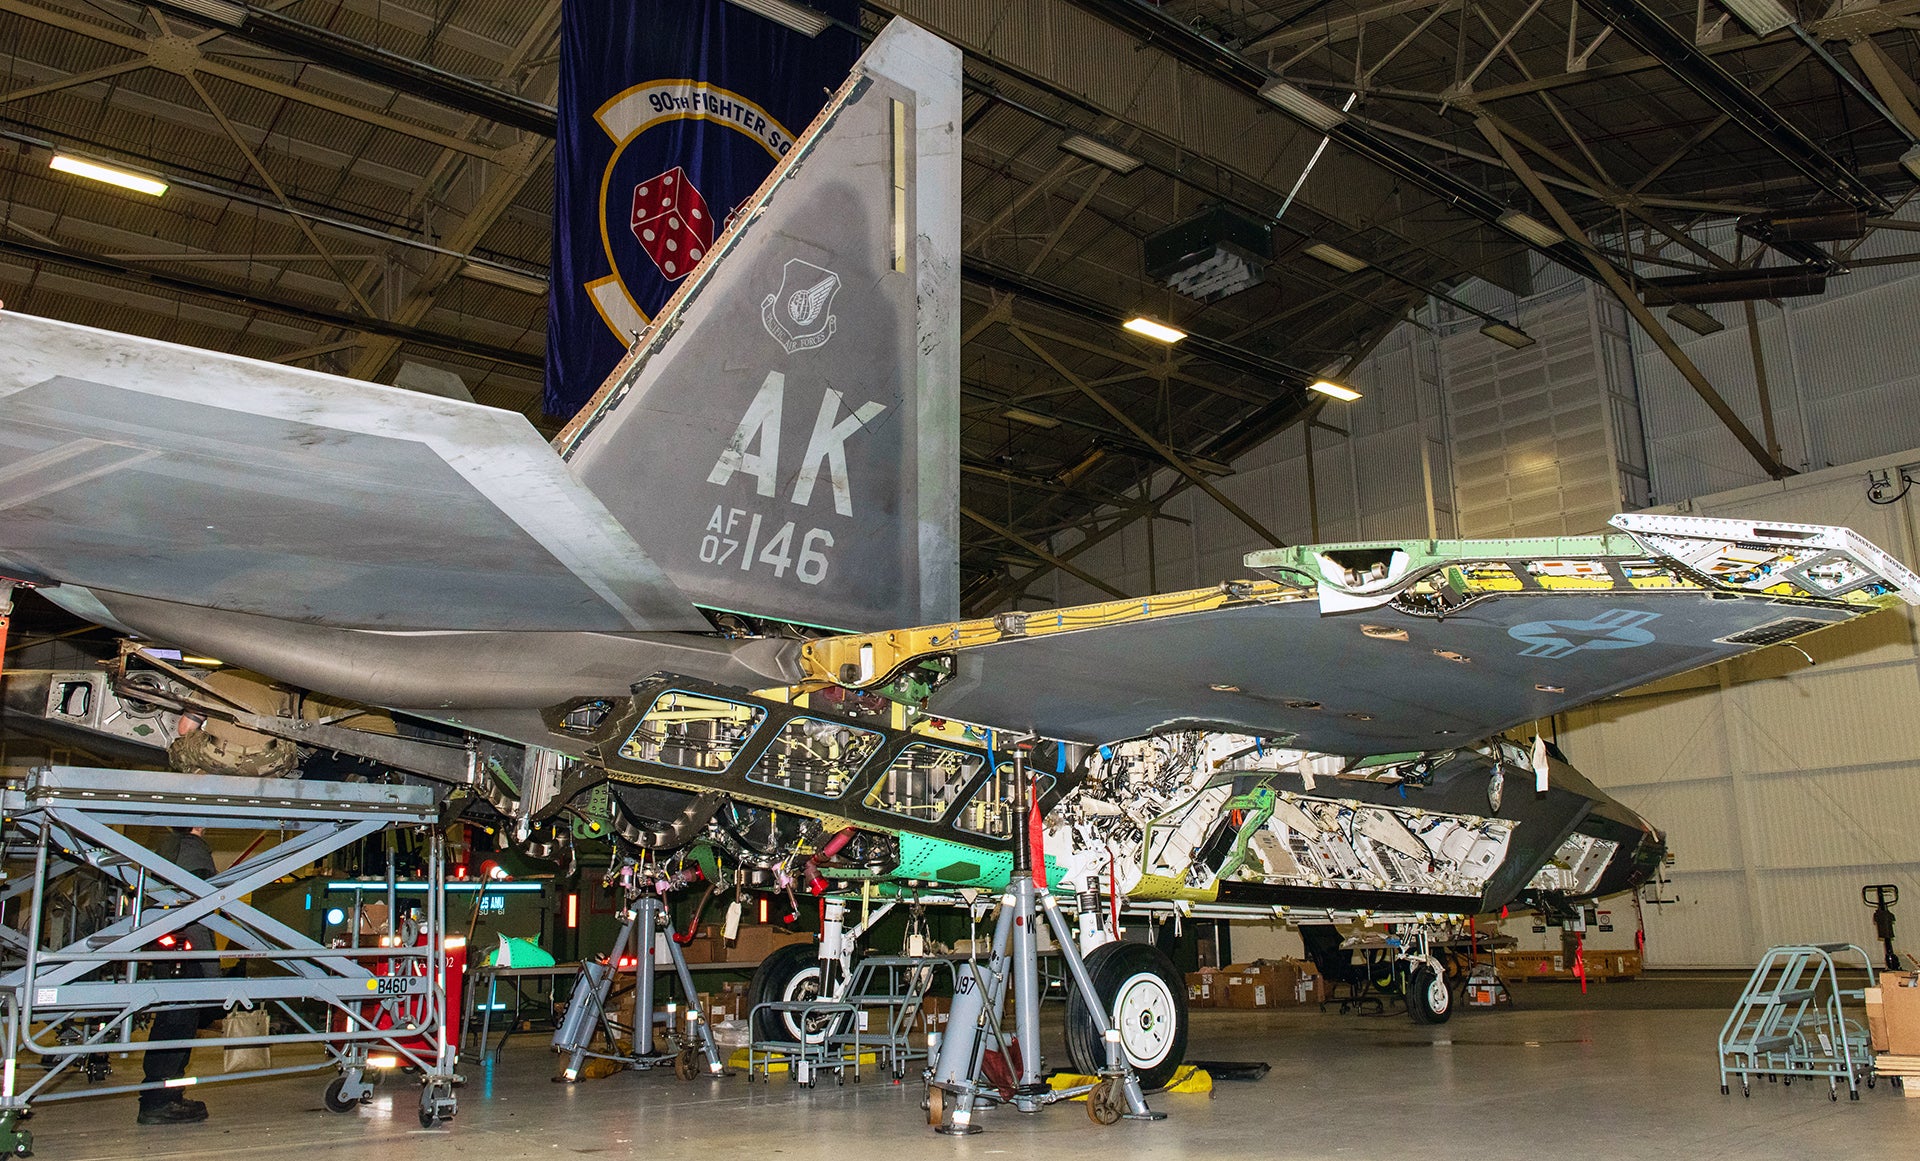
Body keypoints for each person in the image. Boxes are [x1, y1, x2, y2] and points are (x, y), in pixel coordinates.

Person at [138, 825, 218, 1125]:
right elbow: (199, 905)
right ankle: (158, 1102)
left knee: (175, 1023)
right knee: (177, 1024)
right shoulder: (191, 848)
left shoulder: (167, 845)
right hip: (186, 953)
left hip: (173, 950)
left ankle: (165, 1095)